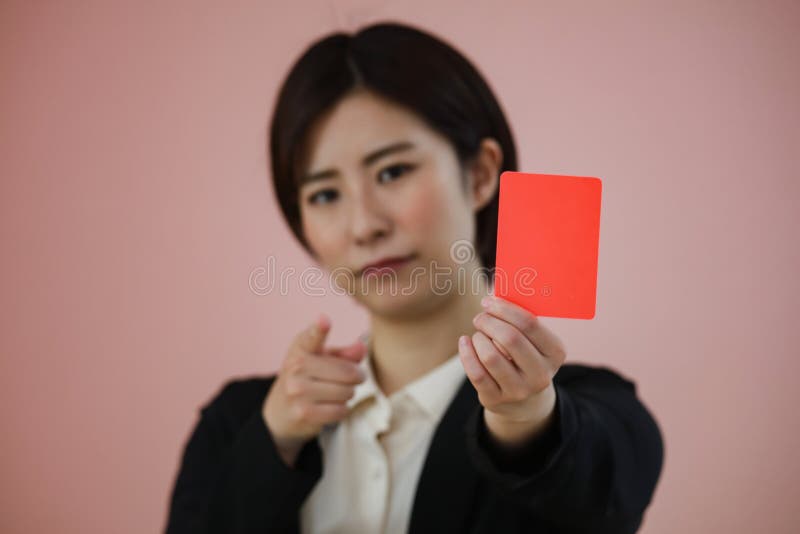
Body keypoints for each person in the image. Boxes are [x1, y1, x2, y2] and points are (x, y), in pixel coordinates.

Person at [164, 21, 664, 534]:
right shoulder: (241, 425)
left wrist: (526, 420)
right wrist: (272, 445)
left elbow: (596, 492)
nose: (364, 225)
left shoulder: (591, 415)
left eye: (392, 171)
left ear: (479, 174)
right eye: (324, 195)